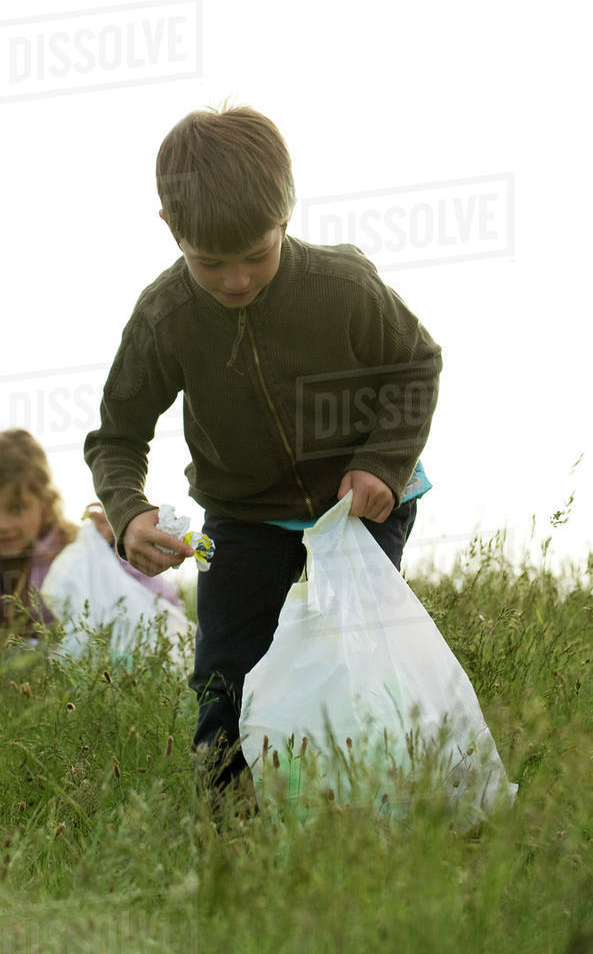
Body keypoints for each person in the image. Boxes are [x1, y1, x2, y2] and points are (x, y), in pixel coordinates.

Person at [84, 104, 442, 797]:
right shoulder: (165, 318)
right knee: (227, 674)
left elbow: (416, 363)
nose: (236, 280)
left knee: (347, 663)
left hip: (359, 508)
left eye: (256, 254)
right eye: (209, 262)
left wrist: (382, 462)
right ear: (170, 230)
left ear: (286, 214)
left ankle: (363, 815)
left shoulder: (342, 287)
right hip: (241, 518)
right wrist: (129, 514)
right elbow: (117, 433)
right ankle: (230, 831)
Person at [0, 429, 180, 673]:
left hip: (116, 679)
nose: (2, 525)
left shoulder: (79, 552)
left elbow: (161, 600)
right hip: (47, 699)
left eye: (16, 509)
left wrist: (113, 550)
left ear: (44, 503)